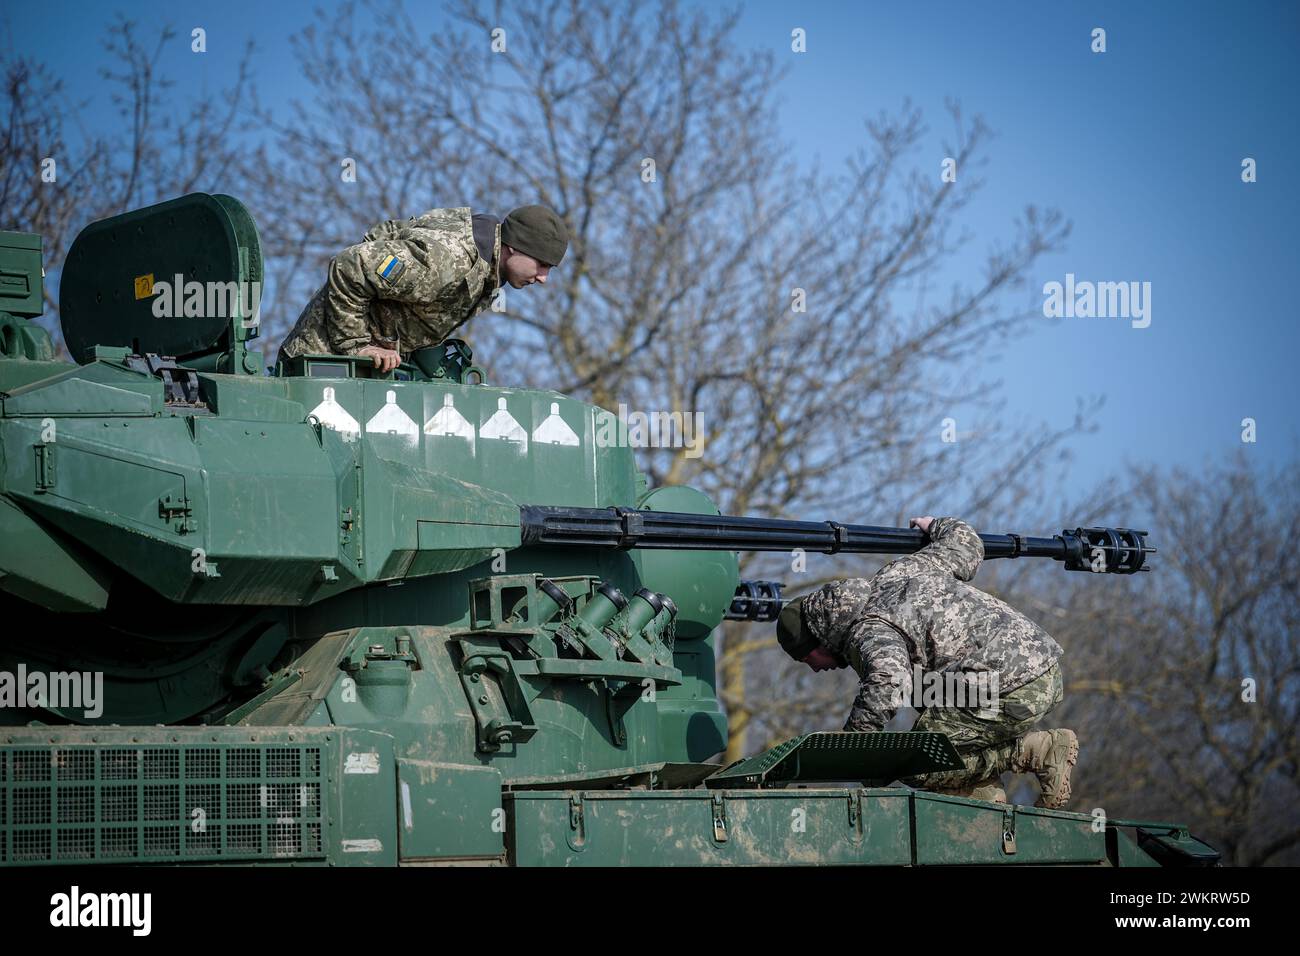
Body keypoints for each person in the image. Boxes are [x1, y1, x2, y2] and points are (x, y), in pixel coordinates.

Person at [776, 515, 1079, 807]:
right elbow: (967, 545)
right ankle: (977, 789)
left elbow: (888, 681)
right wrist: (936, 524)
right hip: (1044, 666)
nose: (816, 668)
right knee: (924, 695)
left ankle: (1033, 752)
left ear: (818, 637)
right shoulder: (900, 571)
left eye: (807, 658)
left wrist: (853, 746)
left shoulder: (865, 628)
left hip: (1012, 690)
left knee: (914, 762)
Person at [277, 204, 568, 371]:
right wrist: (358, 345)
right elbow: (350, 265)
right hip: (319, 364)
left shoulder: (485, 264)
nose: (543, 278)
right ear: (515, 248)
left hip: (350, 373)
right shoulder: (448, 261)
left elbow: (385, 234)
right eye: (542, 264)